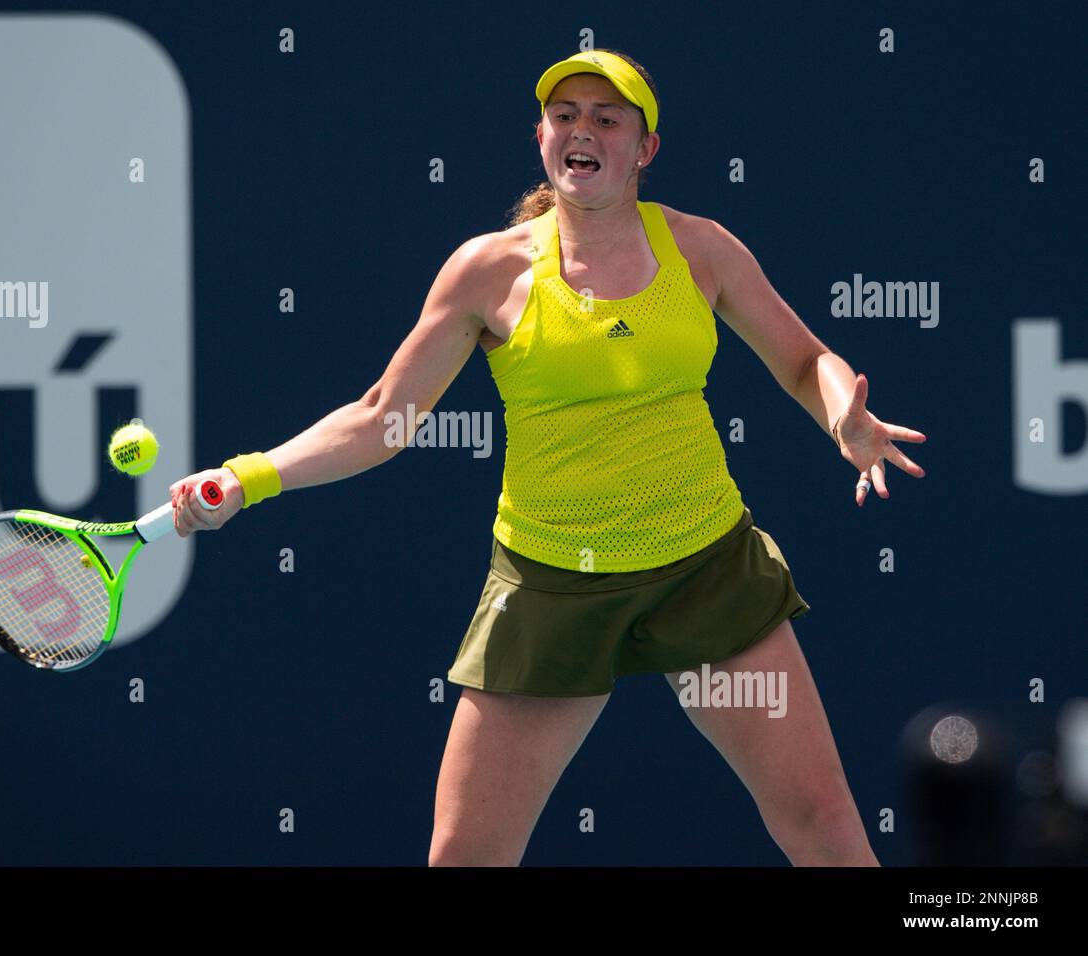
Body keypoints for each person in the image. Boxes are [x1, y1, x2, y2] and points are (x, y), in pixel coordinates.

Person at [169, 49, 927, 866]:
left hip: (707, 570)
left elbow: (802, 358)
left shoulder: (703, 251)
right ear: (542, 138)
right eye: (566, 116)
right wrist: (250, 477)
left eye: (608, 118)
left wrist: (842, 411)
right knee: (466, 856)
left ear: (645, 149)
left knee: (824, 824)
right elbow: (382, 419)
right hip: (548, 586)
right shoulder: (485, 271)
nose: (583, 130)